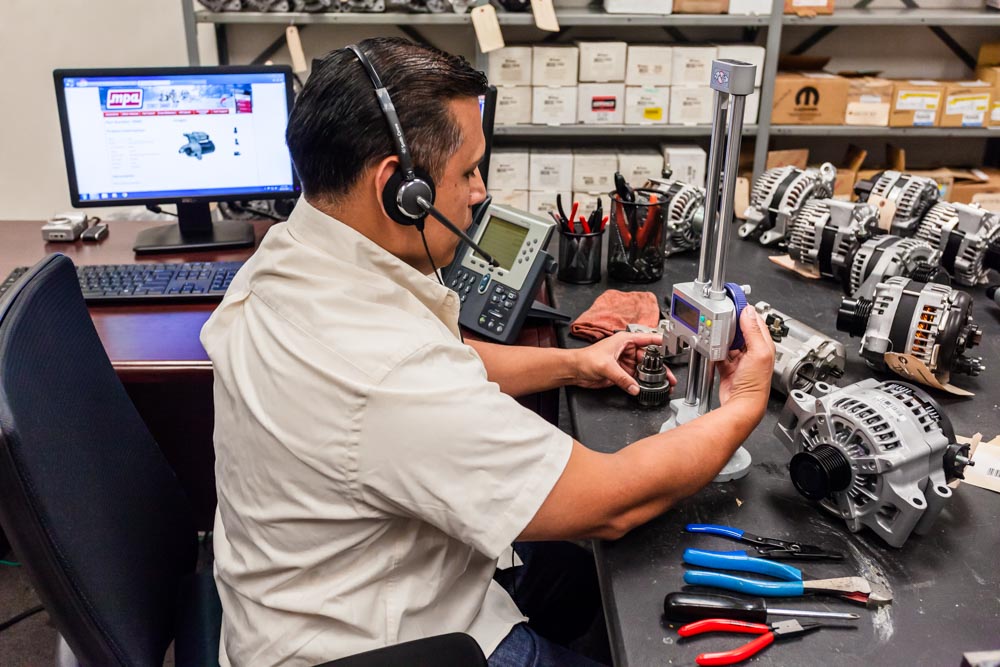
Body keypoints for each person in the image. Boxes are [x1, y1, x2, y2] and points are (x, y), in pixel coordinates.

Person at [200, 37, 775, 667]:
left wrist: (573, 363)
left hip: (299, 603)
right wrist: (743, 406)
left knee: (579, 584)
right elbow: (611, 502)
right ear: (401, 189)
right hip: (389, 644)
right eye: (469, 170)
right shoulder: (381, 367)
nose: (479, 193)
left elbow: (438, 365)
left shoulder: (294, 254)